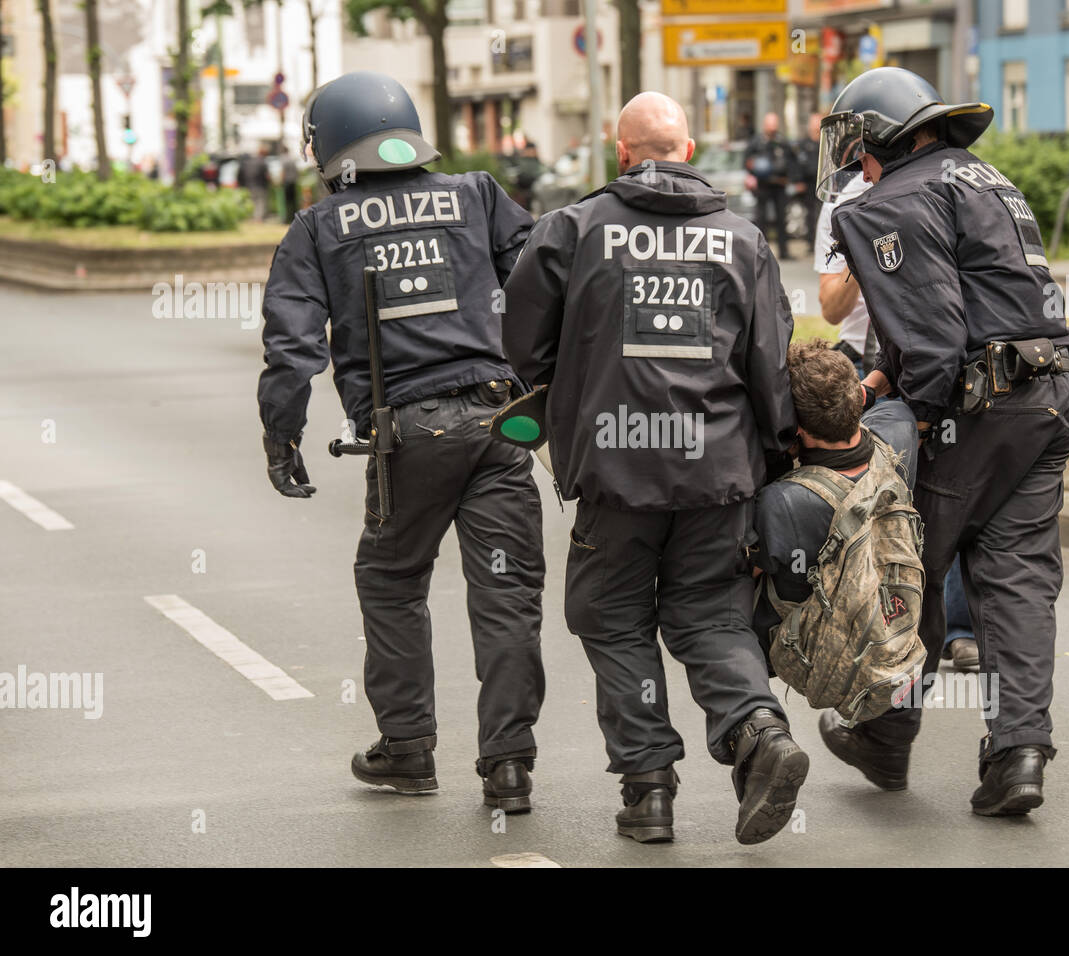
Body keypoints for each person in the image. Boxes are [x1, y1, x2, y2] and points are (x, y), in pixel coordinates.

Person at [502, 91, 808, 846]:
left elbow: (519, 343)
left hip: (616, 469)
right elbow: (771, 368)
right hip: (718, 473)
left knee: (609, 617)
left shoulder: (570, 231)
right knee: (710, 612)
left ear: (621, 152)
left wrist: (566, 391)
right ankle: (759, 729)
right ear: (690, 151)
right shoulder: (744, 240)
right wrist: (777, 456)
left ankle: (649, 791)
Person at [257, 71, 546, 813]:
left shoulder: (318, 228)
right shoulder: (478, 195)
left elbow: (292, 349)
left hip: (406, 435)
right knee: (506, 594)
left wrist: (281, 435)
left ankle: (409, 748)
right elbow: (545, 288)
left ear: (329, 147)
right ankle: (509, 764)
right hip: (499, 424)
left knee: (390, 582)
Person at [819, 67, 1069, 816]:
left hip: (979, 404)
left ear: (880, 136)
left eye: (857, 149)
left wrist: (916, 425)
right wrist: (878, 377)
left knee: (913, 564)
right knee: (1017, 576)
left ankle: (885, 732)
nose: (854, 167)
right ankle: (1019, 752)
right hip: (1053, 391)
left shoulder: (891, 200)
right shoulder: (984, 177)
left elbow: (934, 343)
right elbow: (970, 298)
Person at [752, 339, 919, 704]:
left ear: (795, 425)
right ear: (857, 398)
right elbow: (881, 406)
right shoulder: (900, 431)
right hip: (888, 620)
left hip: (809, 646)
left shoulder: (779, 501)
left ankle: (752, 704)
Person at [814, 157, 878, 377]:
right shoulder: (844, 198)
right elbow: (832, 311)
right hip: (862, 358)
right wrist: (859, 253)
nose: (864, 171)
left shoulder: (931, 188)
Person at [744, 112, 794, 259]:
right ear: (765, 125)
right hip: (762, 185)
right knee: (761, 219)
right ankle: (760, 252)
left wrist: (792, 178)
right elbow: (746, 161)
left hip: (780, 184)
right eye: (769, 124)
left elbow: (792, 161)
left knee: (782, 218)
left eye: (774, 124)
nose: (772, 128)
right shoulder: (756, 142)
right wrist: (750, 173)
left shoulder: (782, 141)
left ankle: (784, 252)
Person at [794, 113, 823, 248]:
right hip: (808, 183)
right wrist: (798, 181)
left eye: (817, 122)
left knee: (823, 212)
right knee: (810, 213)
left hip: (824, 182)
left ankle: (823, 240)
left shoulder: (825, 141)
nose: (815, 126)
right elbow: (797, 164)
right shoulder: (803, 144)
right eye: (813, 123)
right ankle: (811, 242)